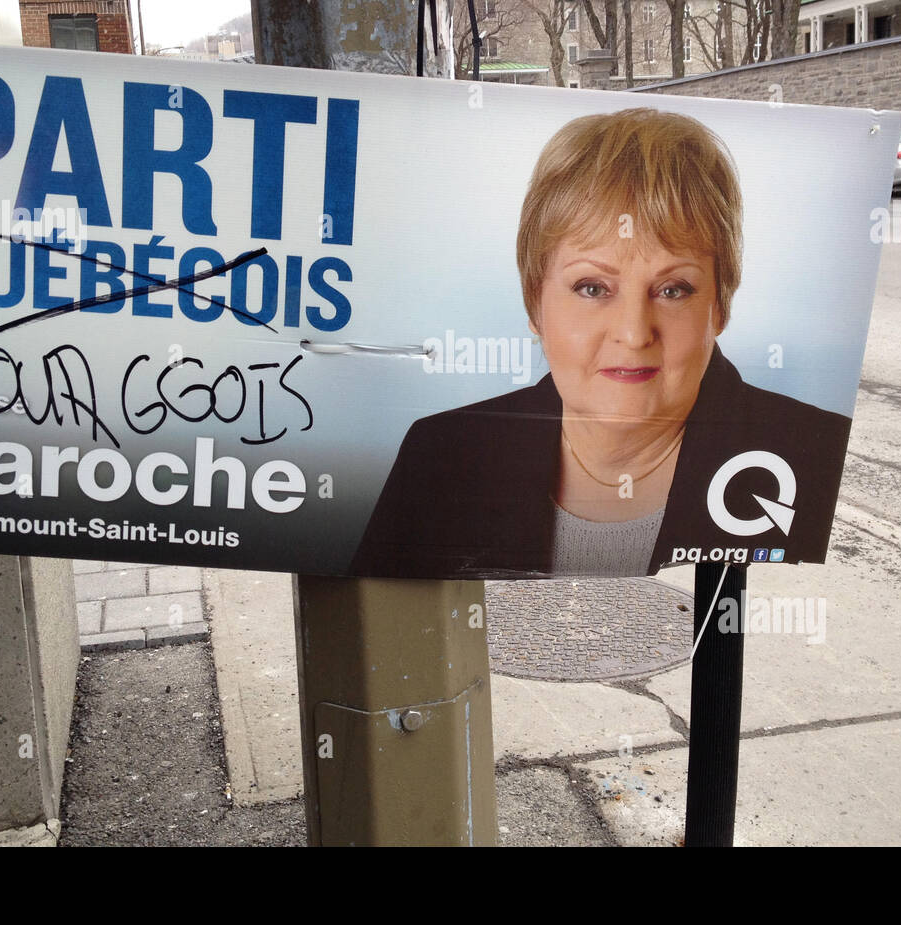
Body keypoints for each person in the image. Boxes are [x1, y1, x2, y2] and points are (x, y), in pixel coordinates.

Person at [350, 107, 851, 579]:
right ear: (534, 304)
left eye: (672, 290)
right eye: (593, 288)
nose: (634, 334)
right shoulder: (438, 454)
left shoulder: (818, 457)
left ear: (719, 305)